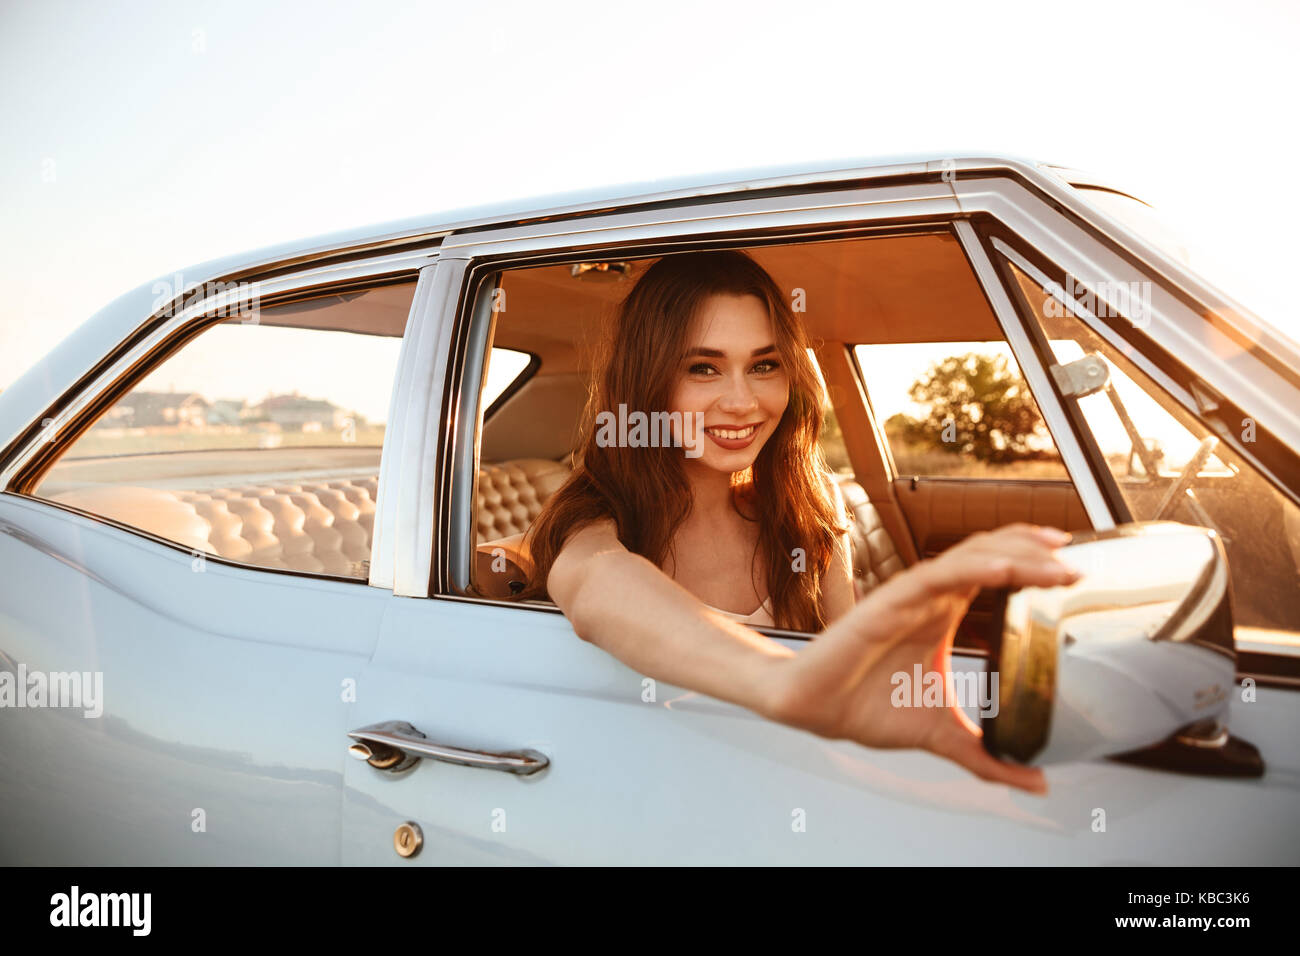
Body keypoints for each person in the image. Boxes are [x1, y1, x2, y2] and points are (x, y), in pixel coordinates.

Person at [479, 250, 1078, 794]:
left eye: (764, 366)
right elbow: (594, 582)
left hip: (810, 785)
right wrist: (786, 682)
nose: (742, 402)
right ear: (645, 382)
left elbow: (851, 669)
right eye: (703, 369)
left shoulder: (811, 503)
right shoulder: (593, 517)